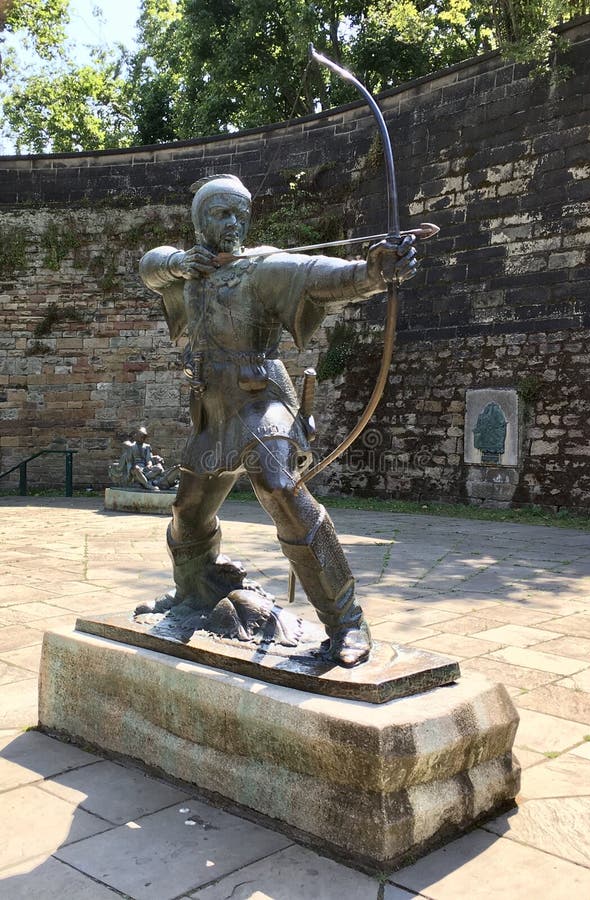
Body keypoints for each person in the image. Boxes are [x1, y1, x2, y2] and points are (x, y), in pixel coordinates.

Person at [139, 174, 416, 666]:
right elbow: (150, 266)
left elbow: (315, 273)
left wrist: (372, 273)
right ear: (201, 221)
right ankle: (196, 590)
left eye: (241, 214)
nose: (234, 223)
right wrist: (180, 263)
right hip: (213, 408)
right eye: (222, 213)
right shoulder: (187, 270)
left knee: (279, 487)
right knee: (188, 512)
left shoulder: (260, 267)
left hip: (261, 401)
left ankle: (347, 620)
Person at [109, 426, 180, 491]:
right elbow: (129, 460)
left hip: (145, 468)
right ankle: (147, 484)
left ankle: (144, 479)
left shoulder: (147, 447)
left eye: (144, 437)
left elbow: (148, 459)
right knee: (136, 469)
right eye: (140, 436)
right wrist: (130, 469)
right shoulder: (131, 446)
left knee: (159, 468)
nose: (142, 439)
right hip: (135, 468)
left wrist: (149, 465)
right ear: (136, 436)